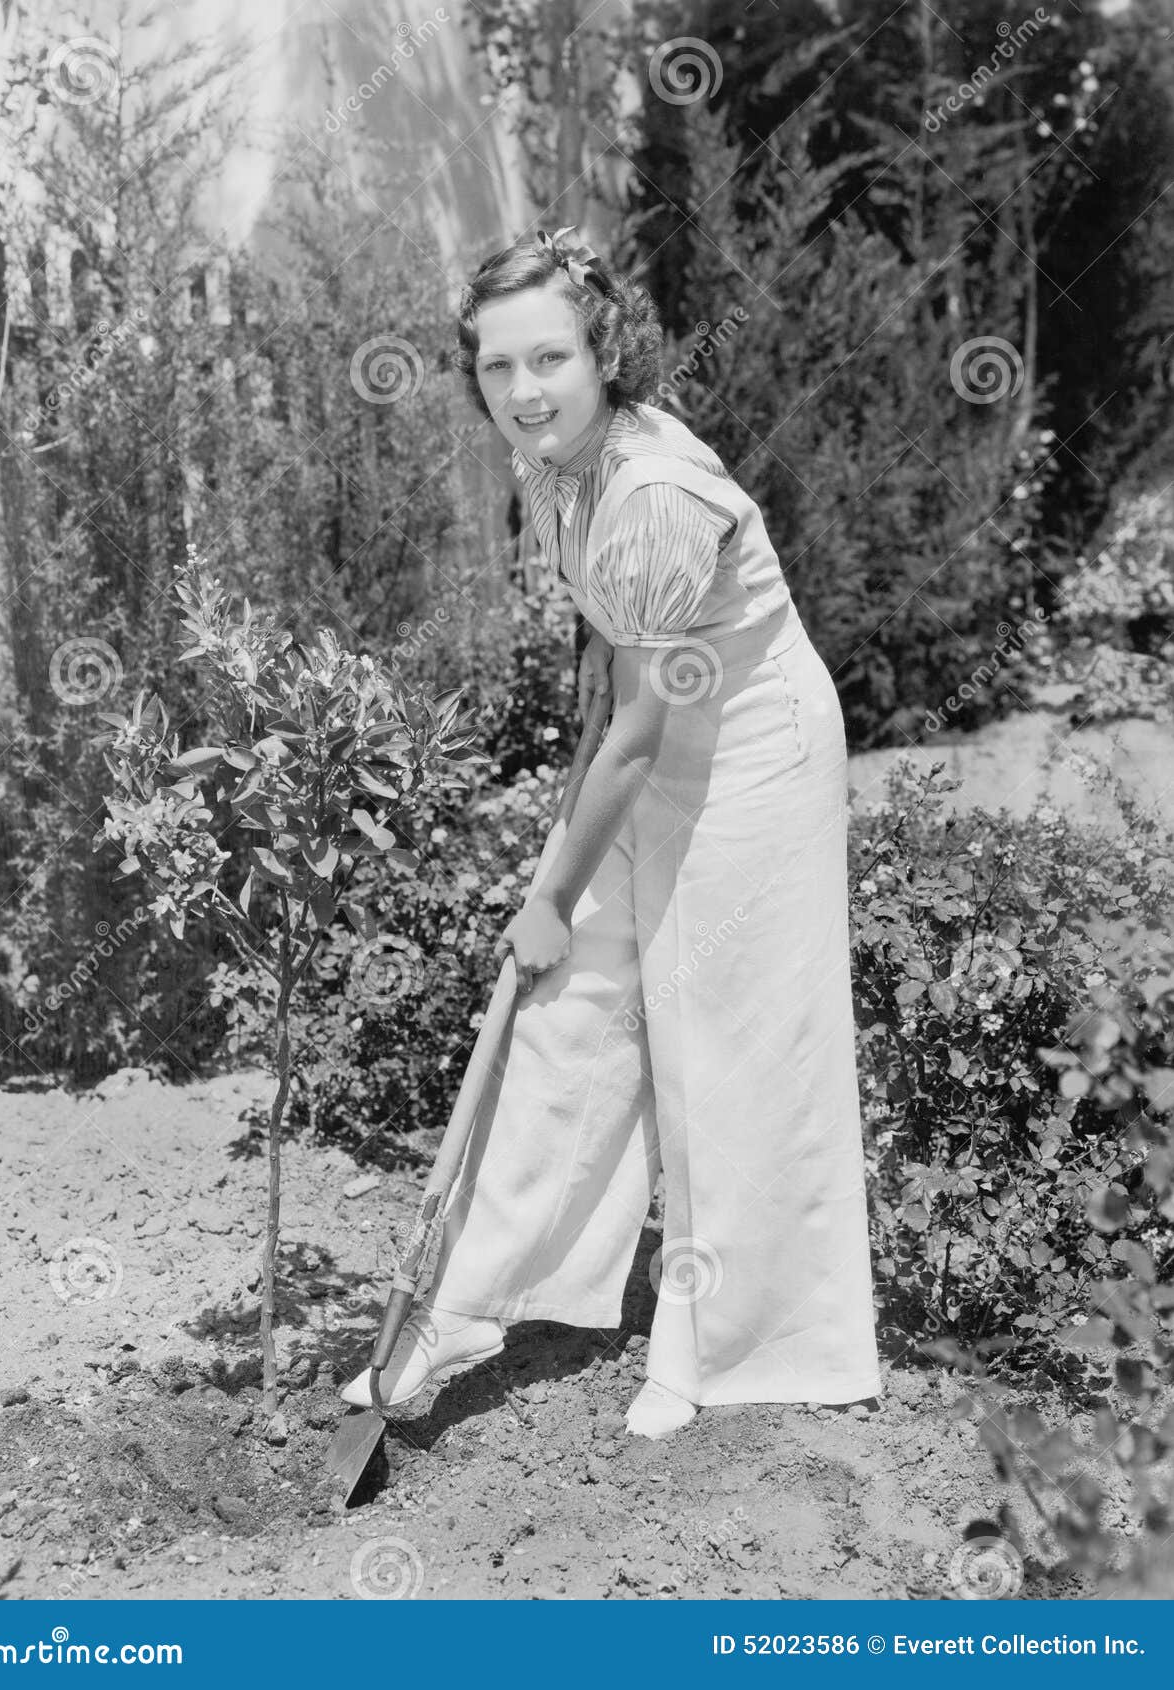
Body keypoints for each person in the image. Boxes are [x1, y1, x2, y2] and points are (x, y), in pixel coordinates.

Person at [340, 226, 881, 1438]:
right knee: (568, 1006)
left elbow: (643, 730)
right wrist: (568, 853)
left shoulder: (650, 490)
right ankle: (469, 1301)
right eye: (496, 369)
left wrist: (547, 893)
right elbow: (617, 673)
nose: (525, 392)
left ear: (603, 353)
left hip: (756, 754)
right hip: (658, 736)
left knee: (715, 1035)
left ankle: (710, 1347)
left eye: (551, 360)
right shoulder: (556, 463)